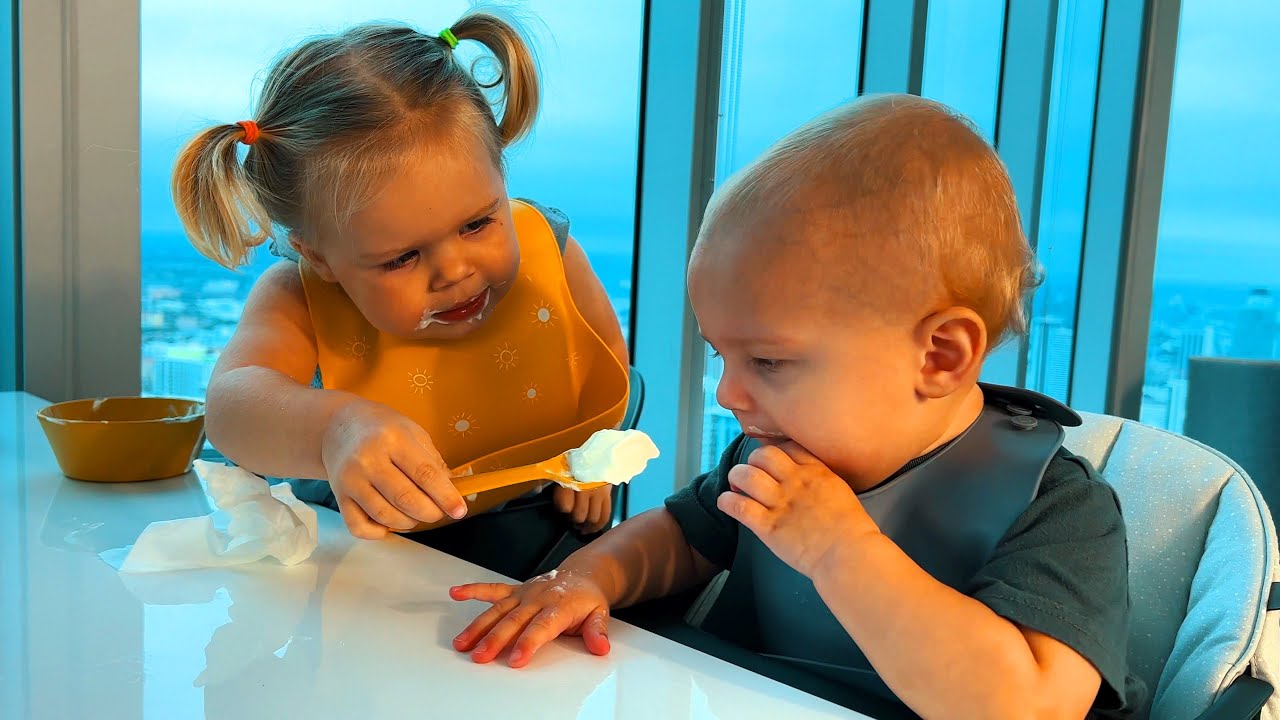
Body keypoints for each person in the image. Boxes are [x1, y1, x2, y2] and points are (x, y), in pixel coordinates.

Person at [450, 94, 1145, 718]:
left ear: (939, 357)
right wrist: (583, 578)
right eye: (723, 357)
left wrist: (842, 550)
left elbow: (1026, 706)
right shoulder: (772, 457)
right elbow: (680, 535)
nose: (727, 393)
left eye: (770, 362)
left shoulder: (1056, 511)